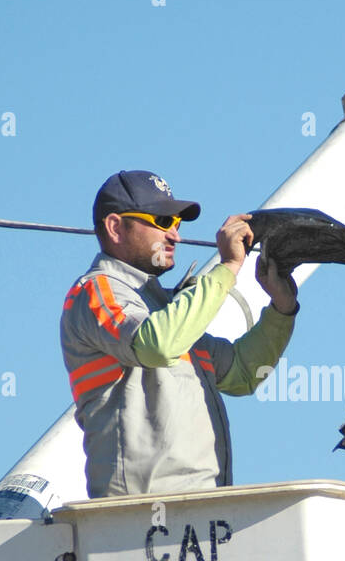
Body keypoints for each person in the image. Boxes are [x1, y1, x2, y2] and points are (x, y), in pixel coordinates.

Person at [60, 170, 298, 498]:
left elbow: (243, 373)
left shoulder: (165, 309)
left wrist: (282, 308)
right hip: (137, 515)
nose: (175, 236)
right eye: (161, 221)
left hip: (201, 510)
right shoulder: (96, 290)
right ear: (115, 227)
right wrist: (227, 267)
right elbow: (156, 344)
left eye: (177, 224)